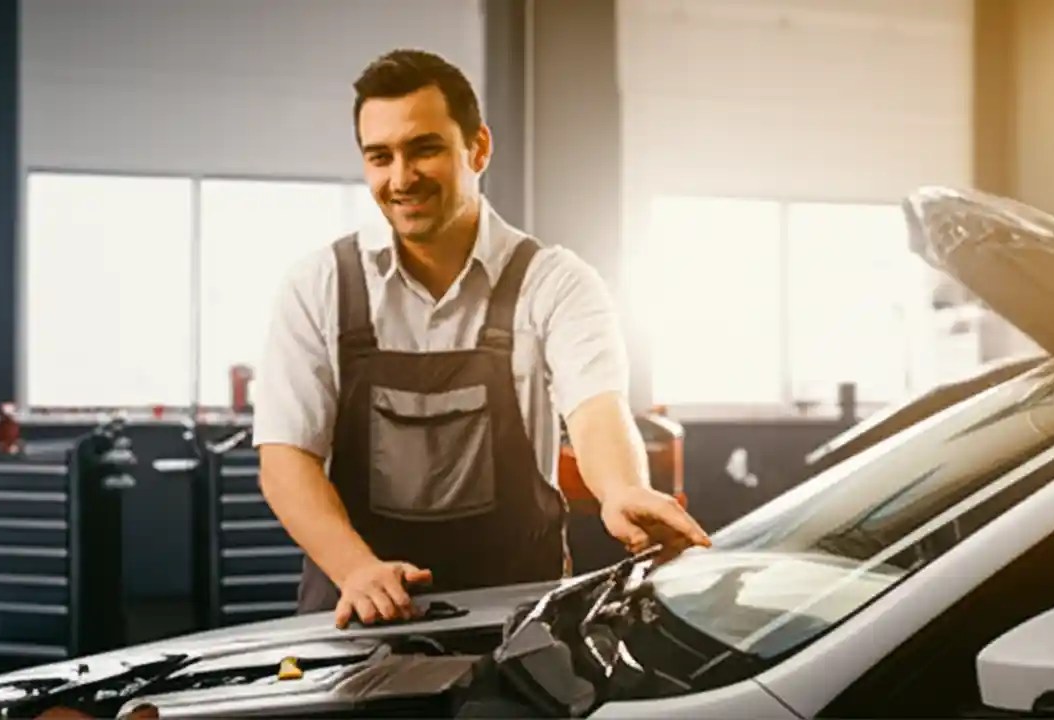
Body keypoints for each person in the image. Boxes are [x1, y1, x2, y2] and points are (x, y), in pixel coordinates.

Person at [253, 48, 711, 630]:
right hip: (357, 603)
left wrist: (621, 489)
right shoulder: (319, 284)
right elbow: (285, 458)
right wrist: (357, 569)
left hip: (517, 618)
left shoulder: (555, 282)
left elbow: (597, 407)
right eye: (380, 157)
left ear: (478, 148)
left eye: (425, 149)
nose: (401, 178)